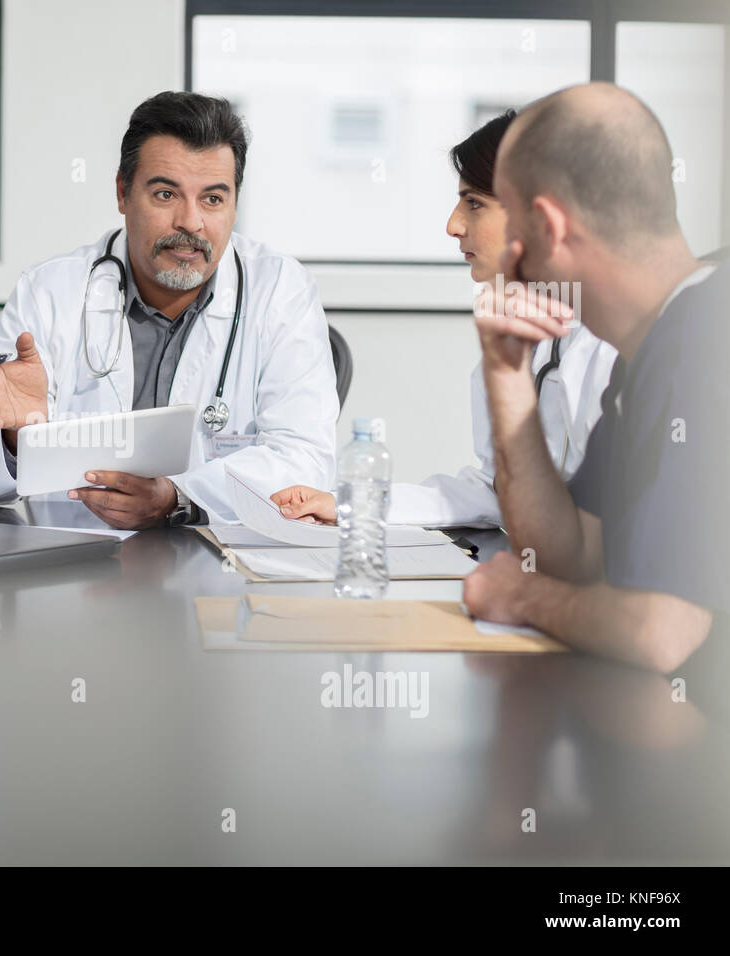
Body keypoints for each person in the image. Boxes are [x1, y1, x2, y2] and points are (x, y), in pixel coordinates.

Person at [0, 91, 339, 530]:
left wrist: (179, 496)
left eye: (213, 199)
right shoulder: (51, 292)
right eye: (165, 194)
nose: (190, 223)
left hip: (223, 575)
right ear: (123, 192)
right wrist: (15, 438)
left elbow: (306, 461)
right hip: (72, 570)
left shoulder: (280, 292)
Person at [461, 82, 725, 674]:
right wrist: (507, 377)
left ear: (549, 228)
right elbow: (568, 556)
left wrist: (522, 596)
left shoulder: (706, 344)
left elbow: (661, 632)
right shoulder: (645, 353)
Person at [270, 110, 616, 528]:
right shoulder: (526, 332)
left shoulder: (610, 343)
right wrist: (353, 504)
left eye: (474, 203)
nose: (453, 225)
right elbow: (495, 490)